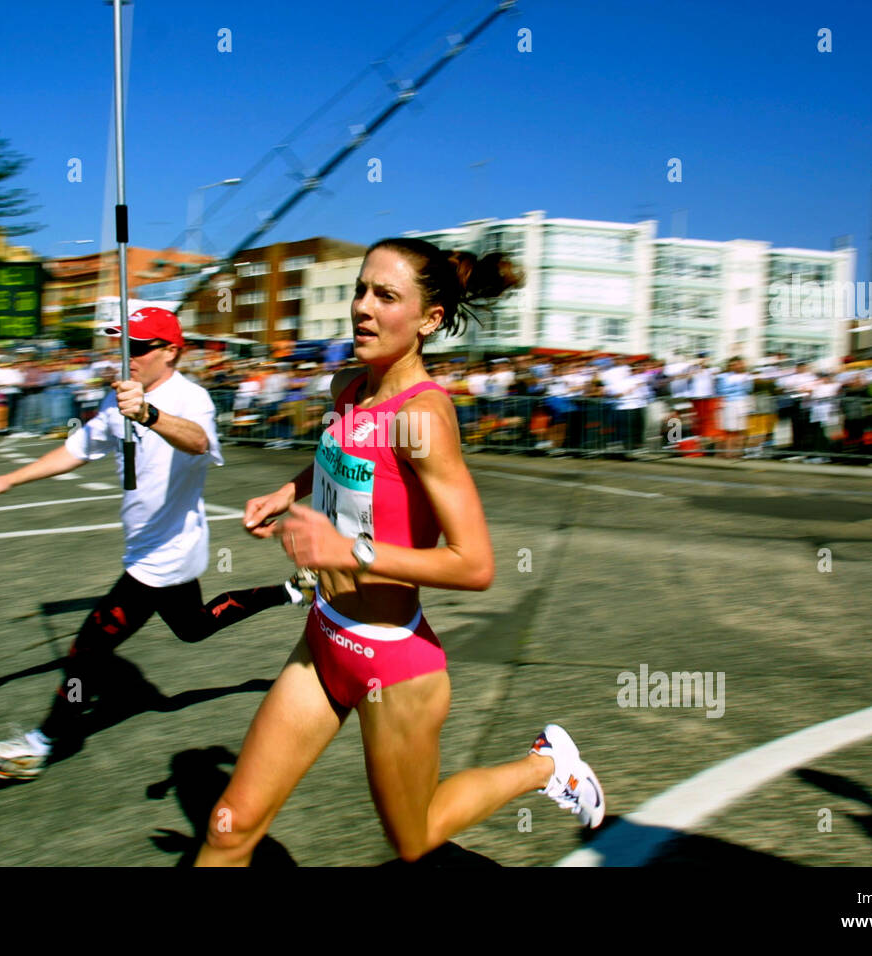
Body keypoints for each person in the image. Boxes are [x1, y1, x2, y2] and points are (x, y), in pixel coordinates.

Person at [193, 239, 606, 867]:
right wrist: (288, 490)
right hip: (324, 638)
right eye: (361, 289)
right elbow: (339, 457)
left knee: (414, 839)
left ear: (428, 320)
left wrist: (348, 549)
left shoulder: (426, 418)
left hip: (395, 664)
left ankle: (546, 766)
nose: (362, 307)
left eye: (385, 296)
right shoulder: (347, 386)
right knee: (228, 831)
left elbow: (475, 564)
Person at [0, 308, 312, 781]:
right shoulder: (119, 401)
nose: (127, 357)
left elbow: (198, 441)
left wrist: (147, 413)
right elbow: (76, 449)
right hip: (148, 548)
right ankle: (291, 592)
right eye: (122, 346)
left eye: (139, 347)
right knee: (193, 628)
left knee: (88, 649)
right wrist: (9, 479)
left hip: (166, 551)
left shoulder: (191, 398)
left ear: (171, 352)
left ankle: (43, 743)